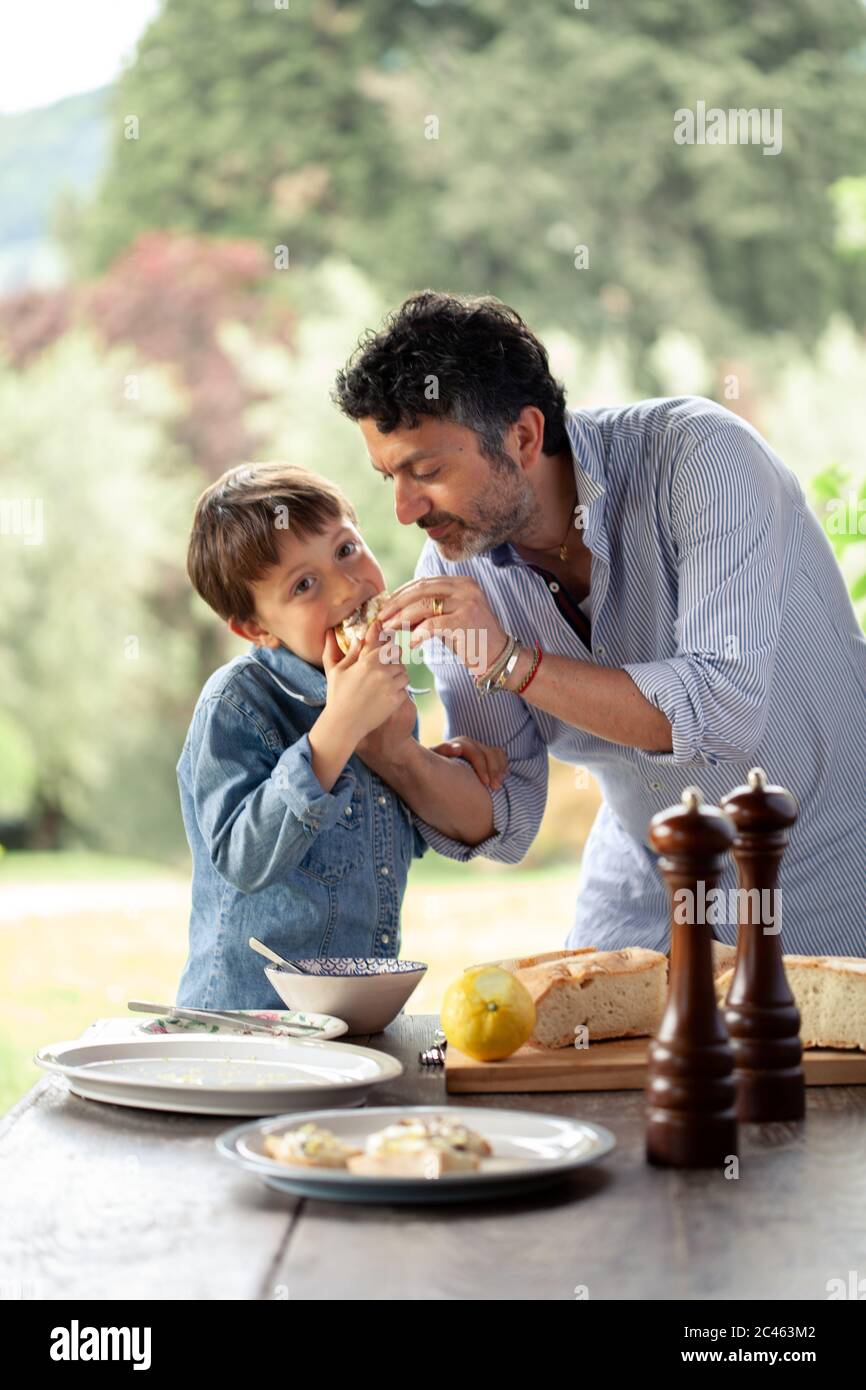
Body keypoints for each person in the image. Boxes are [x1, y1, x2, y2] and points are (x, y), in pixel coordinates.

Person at [331, 290, 866, 957]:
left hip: (827, 861)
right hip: (647, 876)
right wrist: (389, 749)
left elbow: (720, 710)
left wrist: (509, 661)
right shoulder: (457, 567)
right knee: (581, 1052)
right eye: (390, 478)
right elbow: (507, 811)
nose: (406, 509)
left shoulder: (700, 459)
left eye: (428, 471)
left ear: (523, 437)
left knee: (817, 1060)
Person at [175, 461, 506, 1009]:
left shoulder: (384, 694)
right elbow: (242, 859)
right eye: (303, 585)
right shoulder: (236, 703)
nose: (347, 586)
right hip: (250, 1024)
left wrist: (421, 764)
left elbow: (424, 836)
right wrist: (339, 728)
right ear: (255, 627)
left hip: (353, 1022)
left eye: (346, 550)